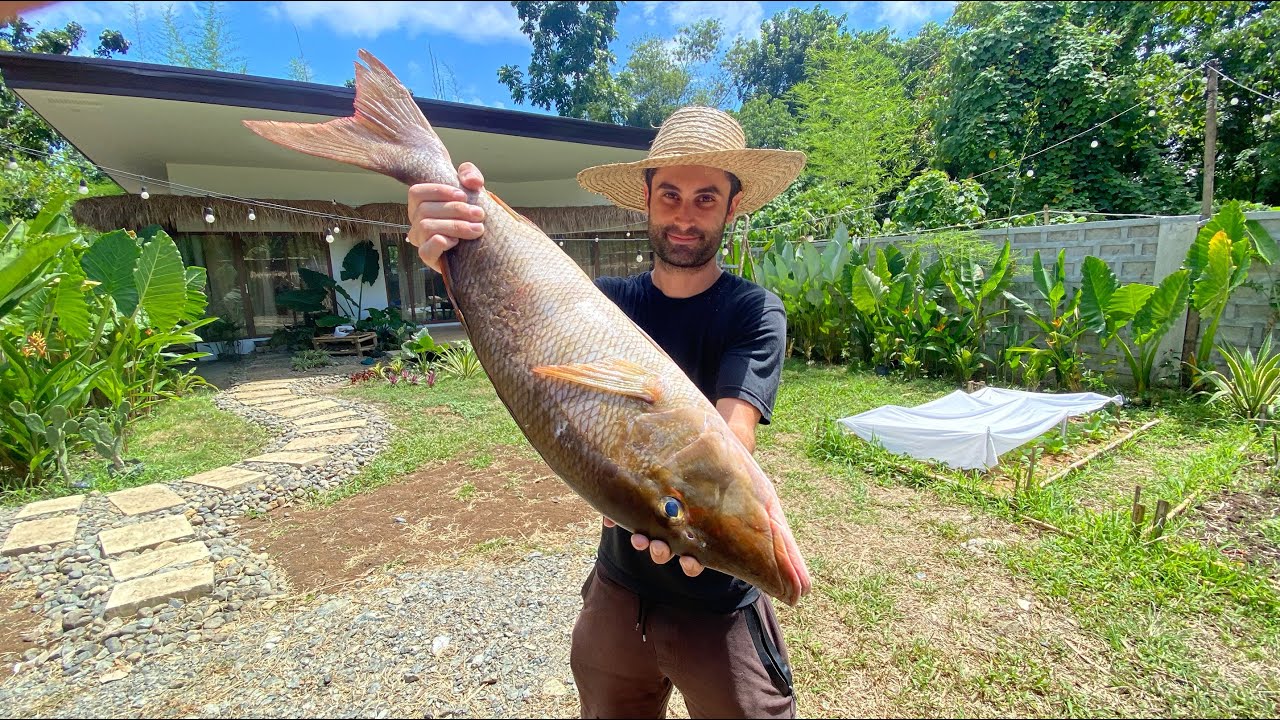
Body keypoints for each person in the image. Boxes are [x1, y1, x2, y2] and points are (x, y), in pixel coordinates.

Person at [405, 106, 807, 719]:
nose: (684, 214)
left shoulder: (752, 312)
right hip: (618, 585)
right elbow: (523, 336)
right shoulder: (604, 303)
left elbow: (735, 431)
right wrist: (448, 250)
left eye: (706, 198)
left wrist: (697, 496)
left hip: (716, 600)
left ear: (732, 207)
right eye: (670, 193)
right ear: (646, 198)